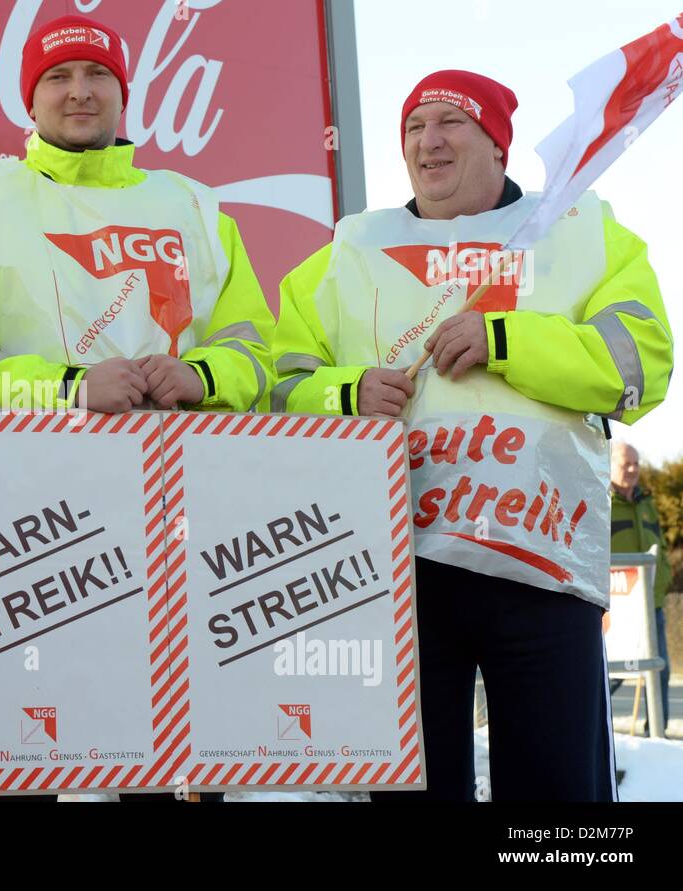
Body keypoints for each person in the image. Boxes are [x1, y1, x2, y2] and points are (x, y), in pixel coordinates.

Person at [0, 13, 276, 801]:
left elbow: (253, 350)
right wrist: (71, 388)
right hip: (14, 536)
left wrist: (200, 378)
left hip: (166, 531)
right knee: (9, 760)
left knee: (164, 764)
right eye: (58, 78)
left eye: (97, 75)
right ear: (29, 100)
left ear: (122, 91)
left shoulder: (197, 206)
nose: (79, 91)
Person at [272, 70, 673, 801]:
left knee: (557, 795)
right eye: (414, 126)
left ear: (497, 142)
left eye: (451, 122)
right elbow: (279, 382)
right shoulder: (353, 248)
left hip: (542, 562)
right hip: (397, 568)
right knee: (414, 787)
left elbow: (640, 360)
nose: (428, 140)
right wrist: (345, 392)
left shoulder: (582, 227)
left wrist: (506, 340)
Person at [610, 440, 674, 731]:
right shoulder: (601, 500)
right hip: (614, 606)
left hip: (651, 605)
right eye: (626, 464)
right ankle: (577, 728)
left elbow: (659, 547)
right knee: (611, 674)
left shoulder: (647, 502)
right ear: (612, 464)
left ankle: (655, 737)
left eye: (636, 463)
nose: (634, 469)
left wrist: (663, 578)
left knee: (658, 672)